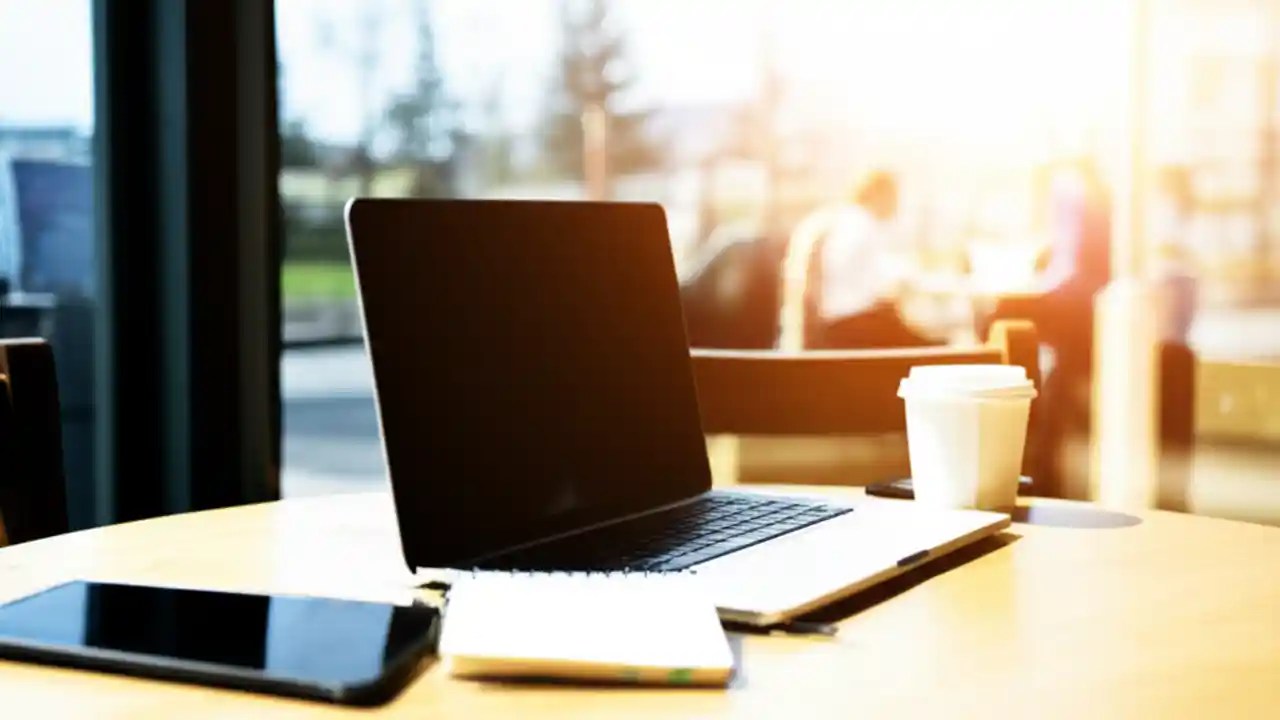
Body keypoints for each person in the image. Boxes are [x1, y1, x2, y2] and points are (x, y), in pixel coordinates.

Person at [780, 170, 932, 350]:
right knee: (931, 347)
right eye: (894, 198)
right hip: (848, 322)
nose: (897, 207)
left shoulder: (843, 219)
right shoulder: (860, 223)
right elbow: (856, 276)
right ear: (880, 196)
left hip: (835, 322)